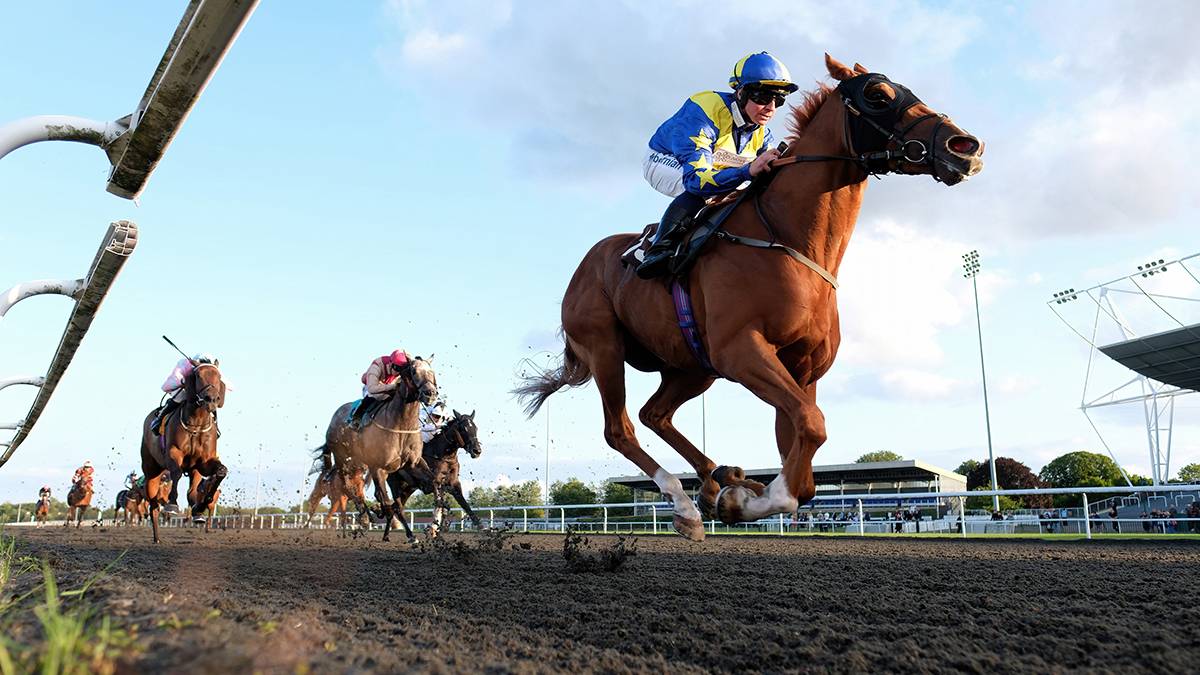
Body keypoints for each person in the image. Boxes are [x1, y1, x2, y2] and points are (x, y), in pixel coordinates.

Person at [636, 51, 798, 279]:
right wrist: (746, 171)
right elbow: (696, 181)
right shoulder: (703, 111)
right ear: (740, 93)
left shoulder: (763, 135)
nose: (770, 107)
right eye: (763, 97)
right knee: (705, 194)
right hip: (664, 160)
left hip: (713, 167)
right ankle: (659, 248)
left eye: (778, 100)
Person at [152, 353, 219, 436]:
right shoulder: (184, 366)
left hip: (200, 393)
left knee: (211, 402)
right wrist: (183, 382)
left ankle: (215, 426)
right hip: (185, 390)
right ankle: (159, 419)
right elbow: (171, 382)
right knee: (180, 397)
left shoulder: (211, 370)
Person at [348, 349, 411, 429]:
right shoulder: (376, 367)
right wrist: (392, 387)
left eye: (400, 369)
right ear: (391, 363)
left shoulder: (399, 368)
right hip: (371, 386)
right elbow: (372, 389)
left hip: (388, 385)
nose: (398, 372)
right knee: (375, 396)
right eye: (397, 368)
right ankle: (356, 418)